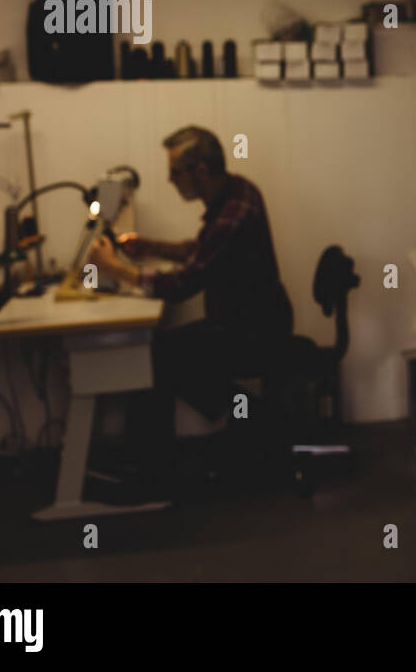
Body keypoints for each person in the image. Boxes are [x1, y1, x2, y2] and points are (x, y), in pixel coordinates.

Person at [85, 125, 294, 495]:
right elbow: (203, 251)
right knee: (171, 352)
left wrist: (115, 269)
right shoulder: (235, 192)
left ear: (199, 171)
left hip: (252, 332)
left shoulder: (235, 212)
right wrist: (152, 247)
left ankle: (151, 476)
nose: (168, 179)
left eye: (175, 172)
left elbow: (182, 285)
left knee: (156, 355)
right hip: (253, 320)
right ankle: (247, 421)